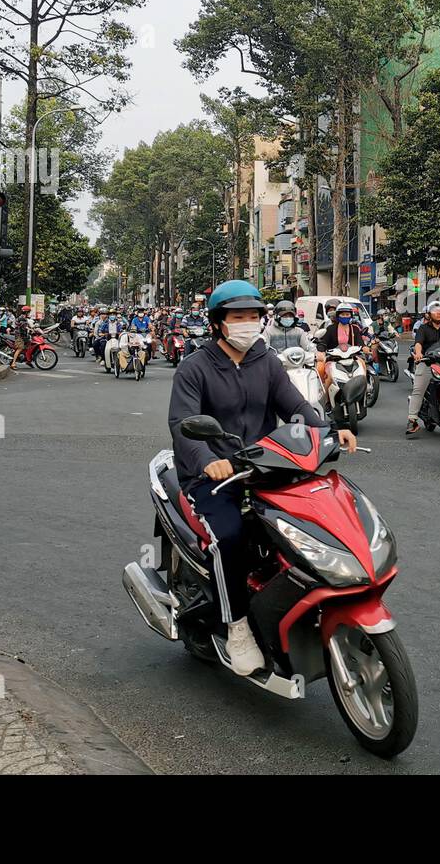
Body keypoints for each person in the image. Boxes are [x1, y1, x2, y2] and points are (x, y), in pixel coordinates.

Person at [168, 280, 356, 675]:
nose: (248, 325)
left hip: (267, 466)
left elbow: (296, 405)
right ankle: (237, 628)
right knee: (231, 537)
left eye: (253, 317)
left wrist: (327, 430)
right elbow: (183, 423)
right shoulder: (194, 367)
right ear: (219, 323)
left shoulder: (266, 360)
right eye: (238, 318)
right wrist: (207, 460)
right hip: (214, 478)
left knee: (311, 519)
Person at [407, 300, 440, 435]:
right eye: (435, 311)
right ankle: (412, 419)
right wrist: (418, 354)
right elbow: (418, 343)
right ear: (429, 314)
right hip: (427, 363)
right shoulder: (423, 328)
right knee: (418, 389)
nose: (438, 313)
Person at [316, 301, 368, 391]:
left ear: (351, 315)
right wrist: (321, 351)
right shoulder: (331, 328)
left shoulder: (354, 328)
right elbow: (323, 342)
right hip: (333, 359)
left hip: (351, 357)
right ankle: (325, 396)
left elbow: (360, 342)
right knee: (321, 369)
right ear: (338, 315)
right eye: (342, 314)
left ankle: (363, 390)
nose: (345, 316)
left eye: (347, 314)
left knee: (362, 365)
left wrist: (364, 347)